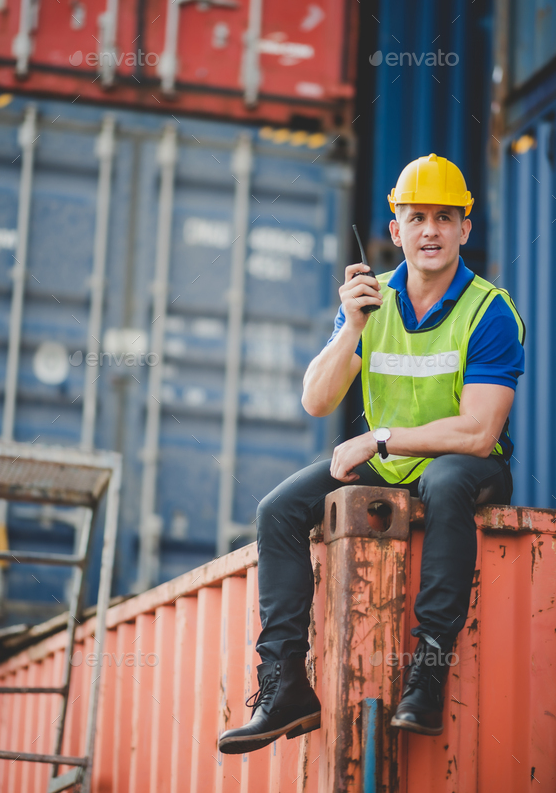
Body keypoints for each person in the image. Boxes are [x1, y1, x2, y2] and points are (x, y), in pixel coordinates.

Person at [218, 153, 524, 753]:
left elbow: (478, 432)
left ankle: (427, 674)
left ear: (465, 228)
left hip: (468, 467)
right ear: (395, 229)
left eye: (444, 217)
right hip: (391, 468)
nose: (430, 230)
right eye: (417, 217)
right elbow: (315, 400)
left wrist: (378, 438)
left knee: (446, 482)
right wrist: (352, 328)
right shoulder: (369, 300)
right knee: (278, 510)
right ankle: (285, 686)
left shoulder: (490, 310)